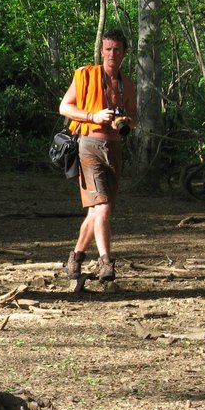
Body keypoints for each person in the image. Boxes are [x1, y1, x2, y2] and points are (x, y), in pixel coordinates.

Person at [59, 29, 137, 282]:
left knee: (97, 211)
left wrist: (125, 120)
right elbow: (65, 107)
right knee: (102, 207)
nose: (112, 54)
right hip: (89, 145)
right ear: (101, 51)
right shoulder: (86, 76)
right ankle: (107, 263)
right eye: (108, 49)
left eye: (117, 49)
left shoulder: (128, 84)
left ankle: (76, 258)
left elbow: (134, 117)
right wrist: (93, 116)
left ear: (124, 53)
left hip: (114, 149)